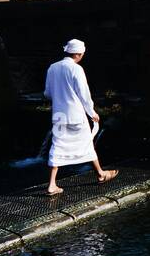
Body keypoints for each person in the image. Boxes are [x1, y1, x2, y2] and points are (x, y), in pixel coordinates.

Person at [43, 38, 117, 195]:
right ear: (78, 53)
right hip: (76, 114)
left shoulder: (53, 68)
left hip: (59, 114)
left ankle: (51, 184)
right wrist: (92, 112)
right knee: (86, 144)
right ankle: (101, 174)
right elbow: (84, 94)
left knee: (57, 146)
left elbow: (47, 93)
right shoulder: (76, 69)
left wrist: (59, 96)